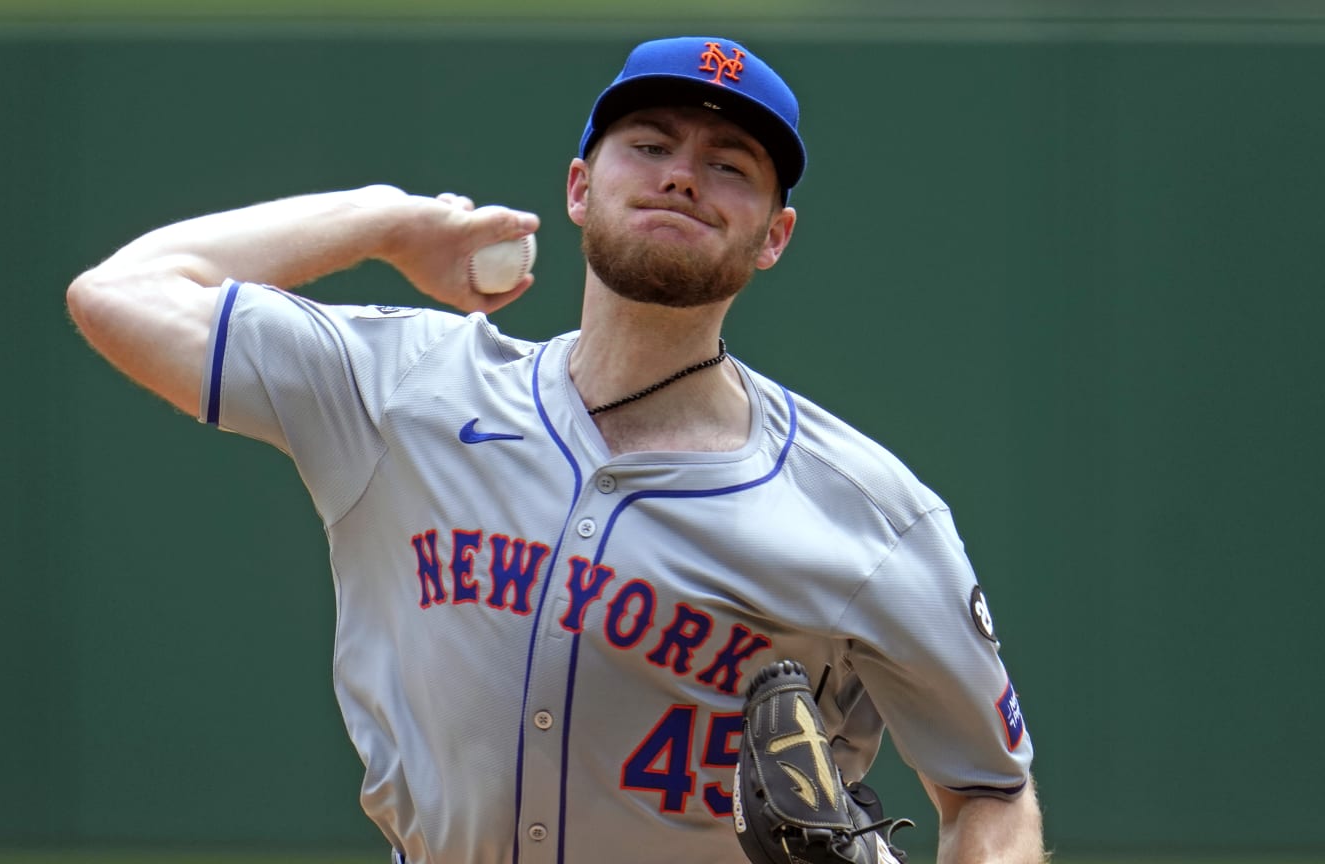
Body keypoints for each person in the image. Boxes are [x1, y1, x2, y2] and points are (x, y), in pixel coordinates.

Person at [67, 35, 1046, 864]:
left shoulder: (867, 512)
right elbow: (119, 295)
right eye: (651, 144)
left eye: (730, 165)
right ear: (579, 188)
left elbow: (991, 792)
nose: (681, 175)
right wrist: (389, 221)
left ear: (774, 235)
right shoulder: (404, 388)